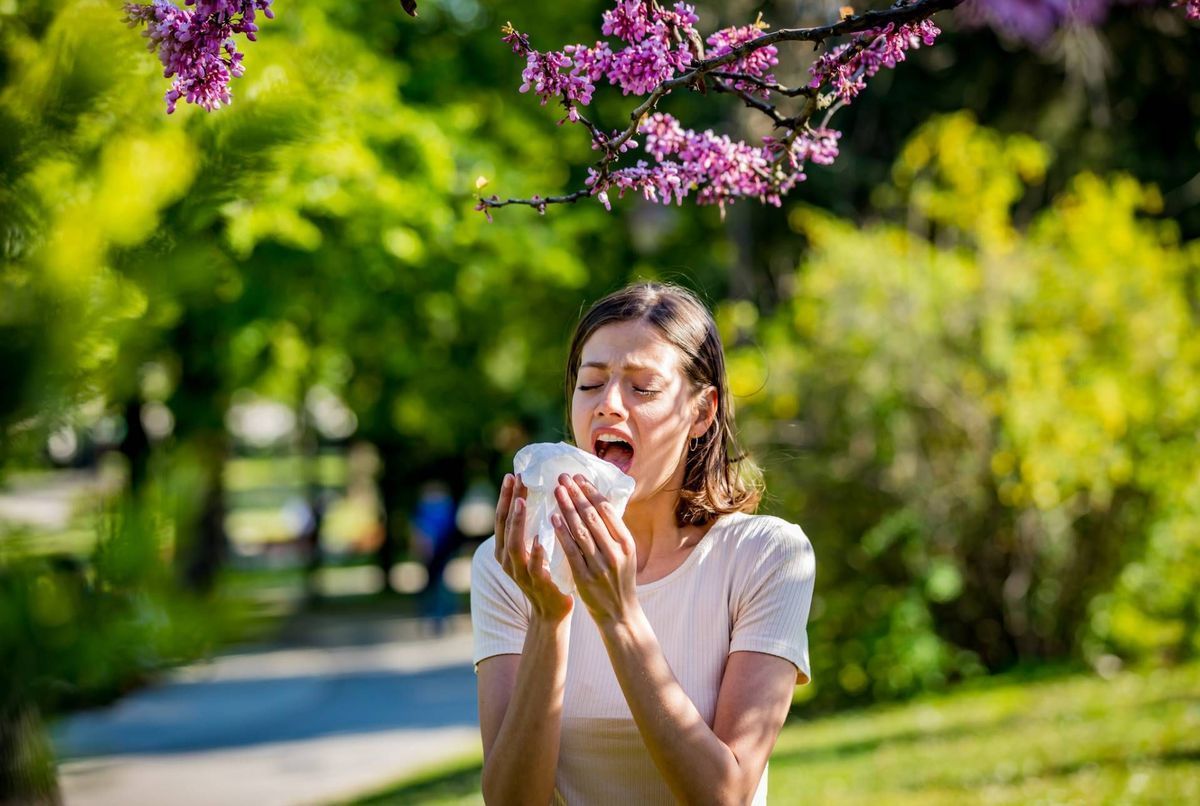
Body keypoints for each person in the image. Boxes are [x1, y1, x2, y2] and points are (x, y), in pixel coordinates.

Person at [470, 282, 816, 804]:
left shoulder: (767, 557)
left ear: (701, 413)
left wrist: (619, 614)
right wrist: (550, 616)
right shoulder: (510, 565)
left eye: (643, 388)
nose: (608, 405)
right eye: (590, 384)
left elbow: (725, 795)